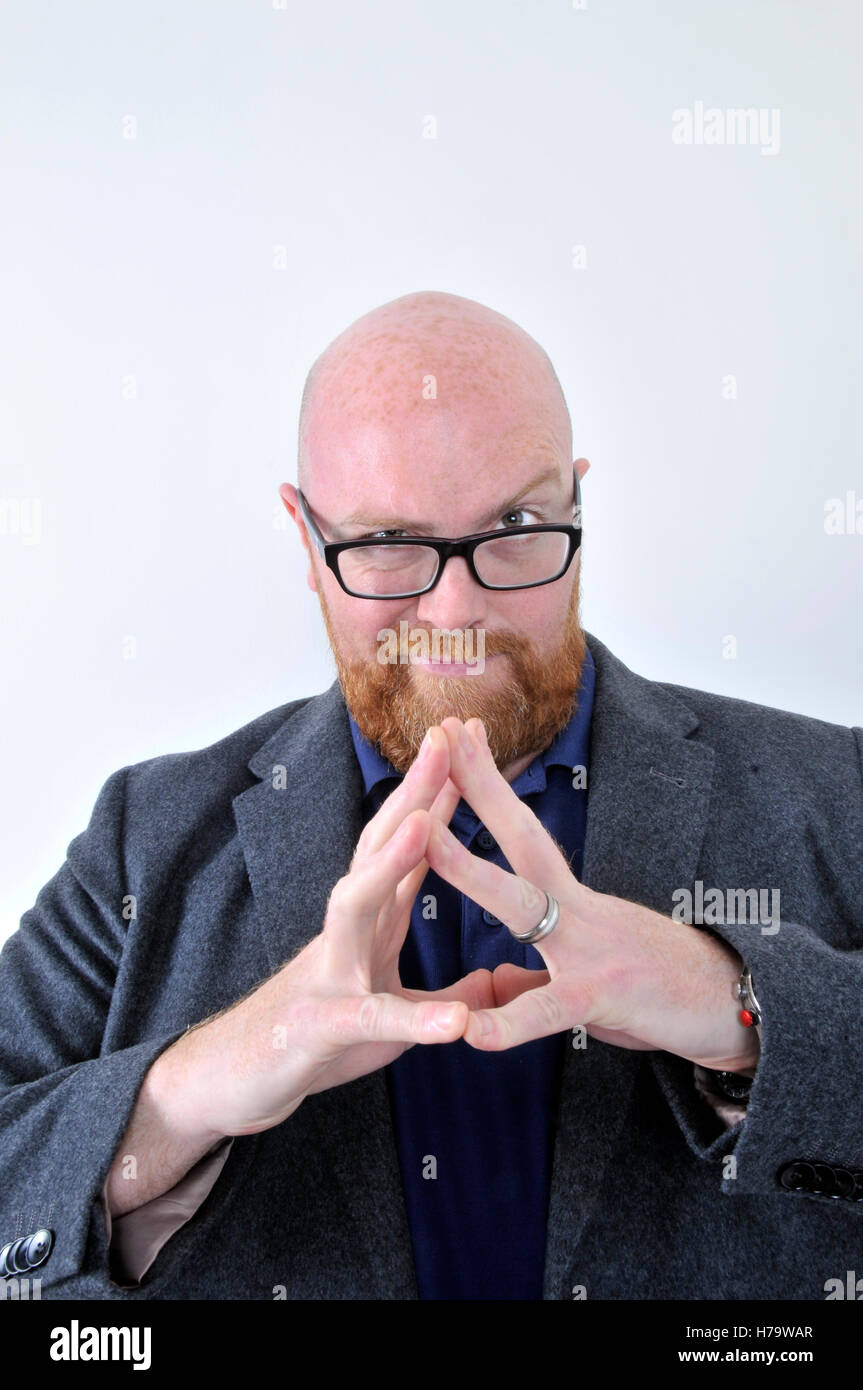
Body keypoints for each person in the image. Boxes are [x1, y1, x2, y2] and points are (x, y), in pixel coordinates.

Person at [1, 291, 860, 1301]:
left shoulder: (830, 793)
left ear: (575, 506)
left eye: (514, 526)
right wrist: (212, 1073)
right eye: (389, 541)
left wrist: (735, 1004)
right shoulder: (140, 845)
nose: (456, 612)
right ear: (304, 535)